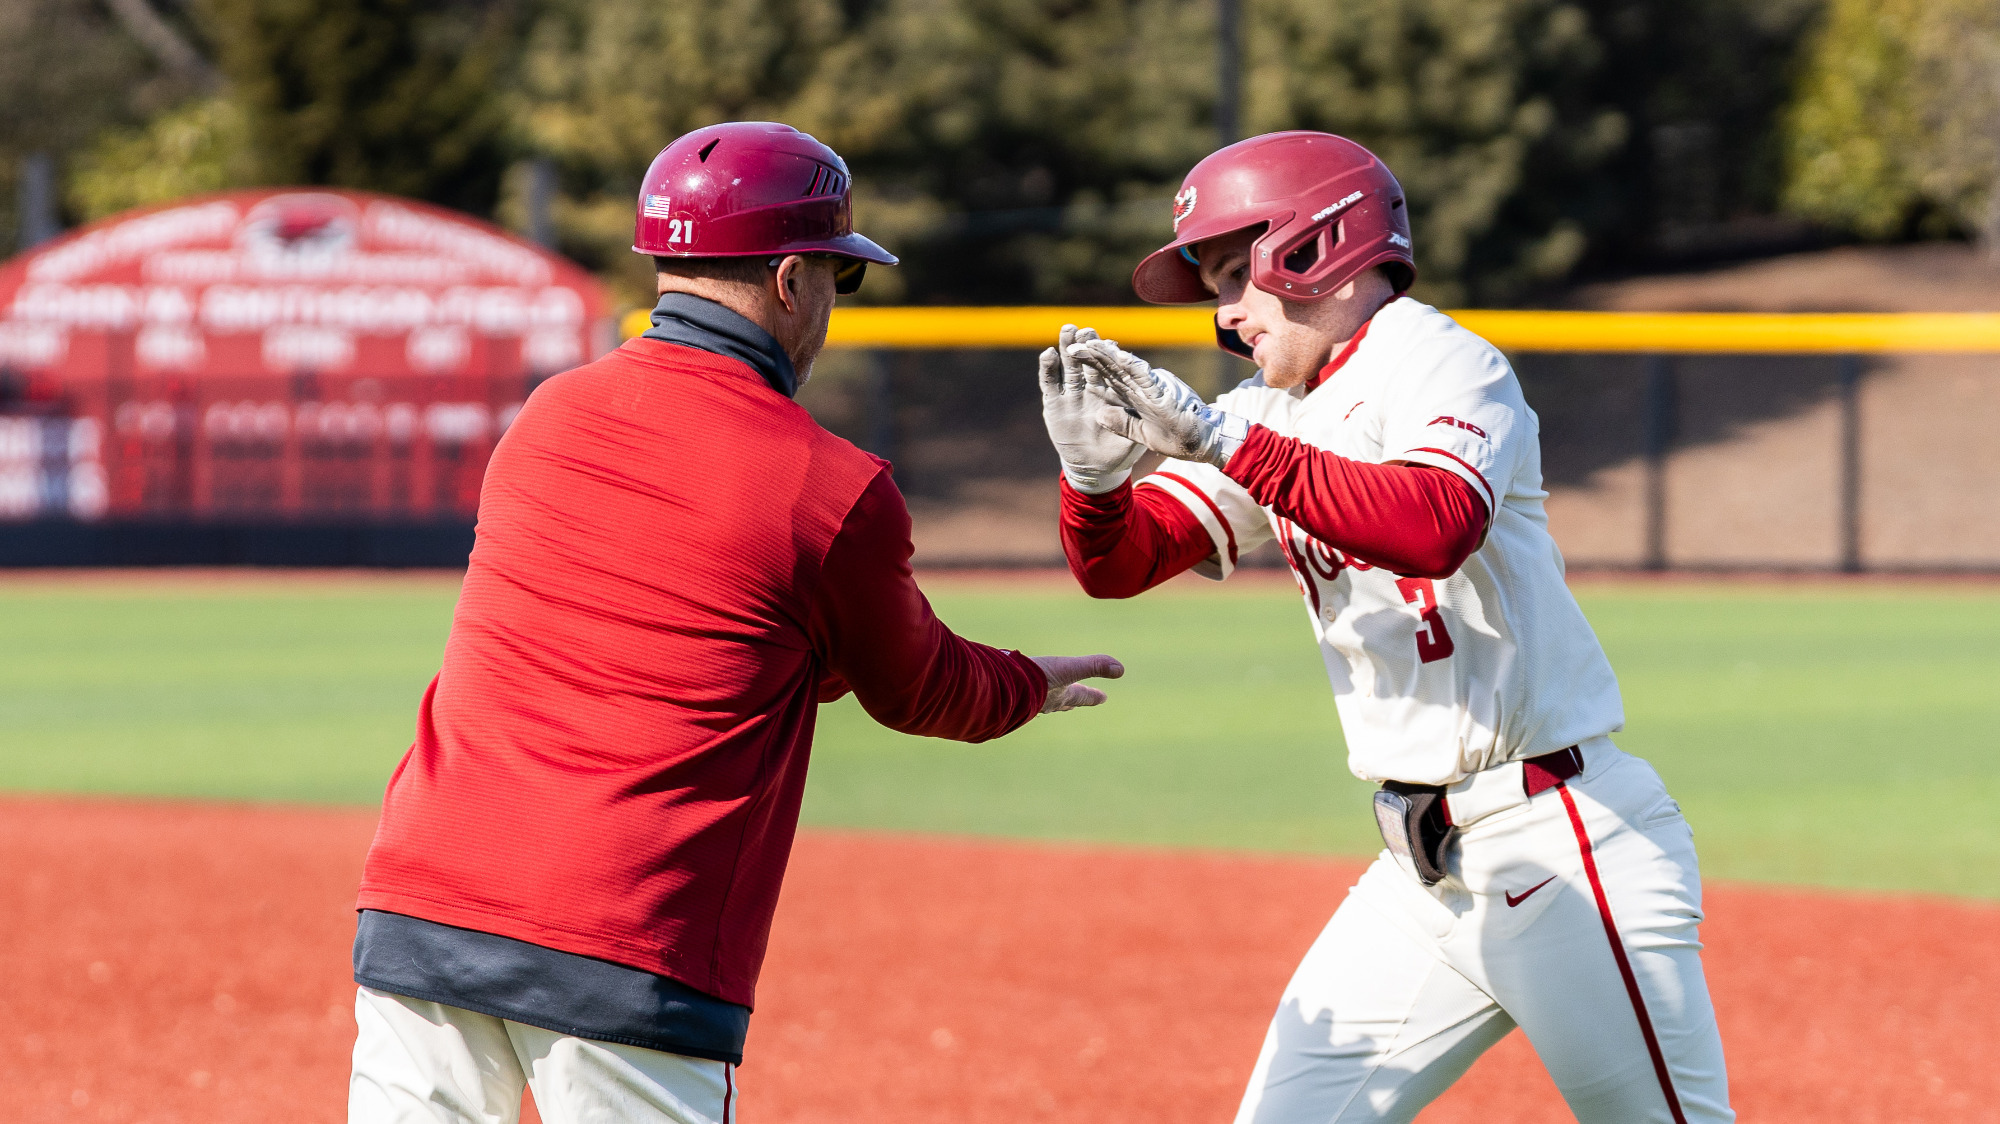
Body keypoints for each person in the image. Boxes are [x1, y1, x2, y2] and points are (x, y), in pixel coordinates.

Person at [347, 121, 1123, 1124]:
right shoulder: (829, 484)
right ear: (792, 279)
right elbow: (918, 684)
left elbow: (700, 620)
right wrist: (1025, 683)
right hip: (621, 942)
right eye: (836, 280)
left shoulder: (547, 415)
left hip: (423, 901)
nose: (832, 308)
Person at [1041, 131, 1731, 1123]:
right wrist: (1092, 485)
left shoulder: (1444, 363)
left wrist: (1228, 439)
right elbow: (1117, 565)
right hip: (1420, 876)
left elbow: (1431, 523)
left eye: (1235, 274)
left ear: (1316, 246)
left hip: (1562, 842)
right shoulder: (1270, 406)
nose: (1224, 314)